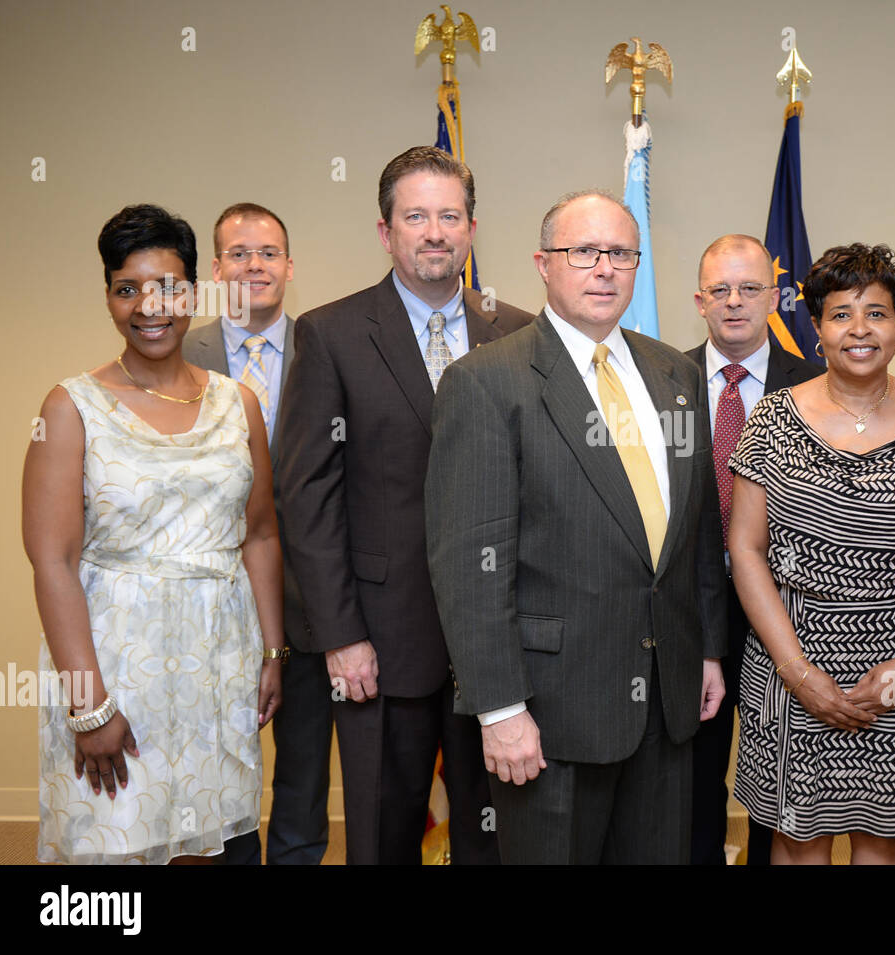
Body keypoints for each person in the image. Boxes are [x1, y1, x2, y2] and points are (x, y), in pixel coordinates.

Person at [425, 190, 729, 864]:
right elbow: (469, 565)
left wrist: (707, 647)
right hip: (550, 712)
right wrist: (500, 709)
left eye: (620, 253)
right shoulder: (486, 383)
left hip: (666, 700)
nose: (604, 269)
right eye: (583, 252)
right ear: (543, 263)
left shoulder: (676, 373)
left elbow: (697, 530)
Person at [276, 146, 532, 865]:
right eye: (415, 216)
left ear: (472, 229)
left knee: (501, 837)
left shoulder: (515, 330)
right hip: (382, 641)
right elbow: (307, 494)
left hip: (500, 644)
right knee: (386, 835)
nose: (434, 231)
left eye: (449, 215)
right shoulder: (330, 334)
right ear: (385, 231)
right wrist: (339, 634)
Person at [25, 203, 284, 864]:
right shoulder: (70, 406)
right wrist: (89, 706)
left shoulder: (237, 402)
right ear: (109, 296)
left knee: (215, 843)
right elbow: (52, 561)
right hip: (116, 678)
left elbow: (258, 534)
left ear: (194, 291)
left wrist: (272, 651)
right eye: (127, 287)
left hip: (218, 674)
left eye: (167, 285)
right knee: (114, 851)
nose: (150, 305)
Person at [727, 242, 895, 865]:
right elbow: (745, 549)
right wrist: (798, 673)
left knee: (884, 843)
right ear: (816, 327)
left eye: (877, 313)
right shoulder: (775, 418)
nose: (859, 329)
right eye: (840, 314)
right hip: (791, 659)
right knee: (798, 842)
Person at [184, 202, 332, 865]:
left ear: (290, 266)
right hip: (208, 601)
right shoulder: (177, 350)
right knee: (221, 766)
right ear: (217, 269)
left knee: (304, 769)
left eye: (268, 252)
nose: (255, 265)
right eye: (239, 253)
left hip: (310, 600)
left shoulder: (328, 350)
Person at [685, 233, 820, 865]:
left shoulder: (817, 385)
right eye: (720, 290)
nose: (734, 302)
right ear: (699, 300)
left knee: (783, 774)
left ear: (775, 295)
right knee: (692, 773)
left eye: (749, 288)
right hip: (687, 609)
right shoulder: (660, 380)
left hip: (787, 609)